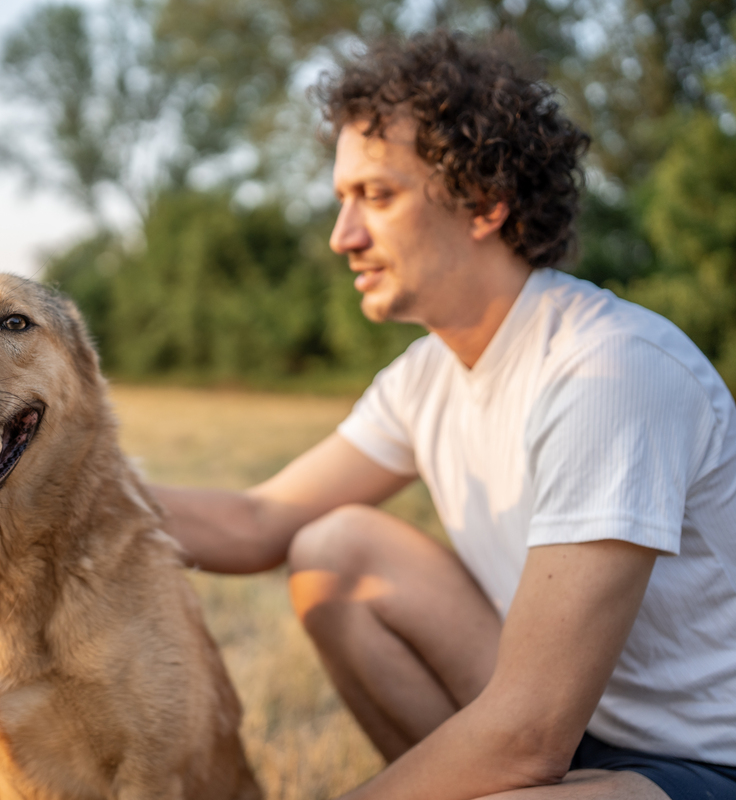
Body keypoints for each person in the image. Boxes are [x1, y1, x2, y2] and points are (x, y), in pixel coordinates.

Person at [155, 30, 736, 800]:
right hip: (569, 731)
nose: (343, 237)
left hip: (698, 762)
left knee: (516, 754)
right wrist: (47, 491)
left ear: (485, 201)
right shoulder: (425, 375)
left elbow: (530, 733)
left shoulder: (608, 369)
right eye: (342, 200)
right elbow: (258, 520)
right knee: (335, 548)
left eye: (378, 195)